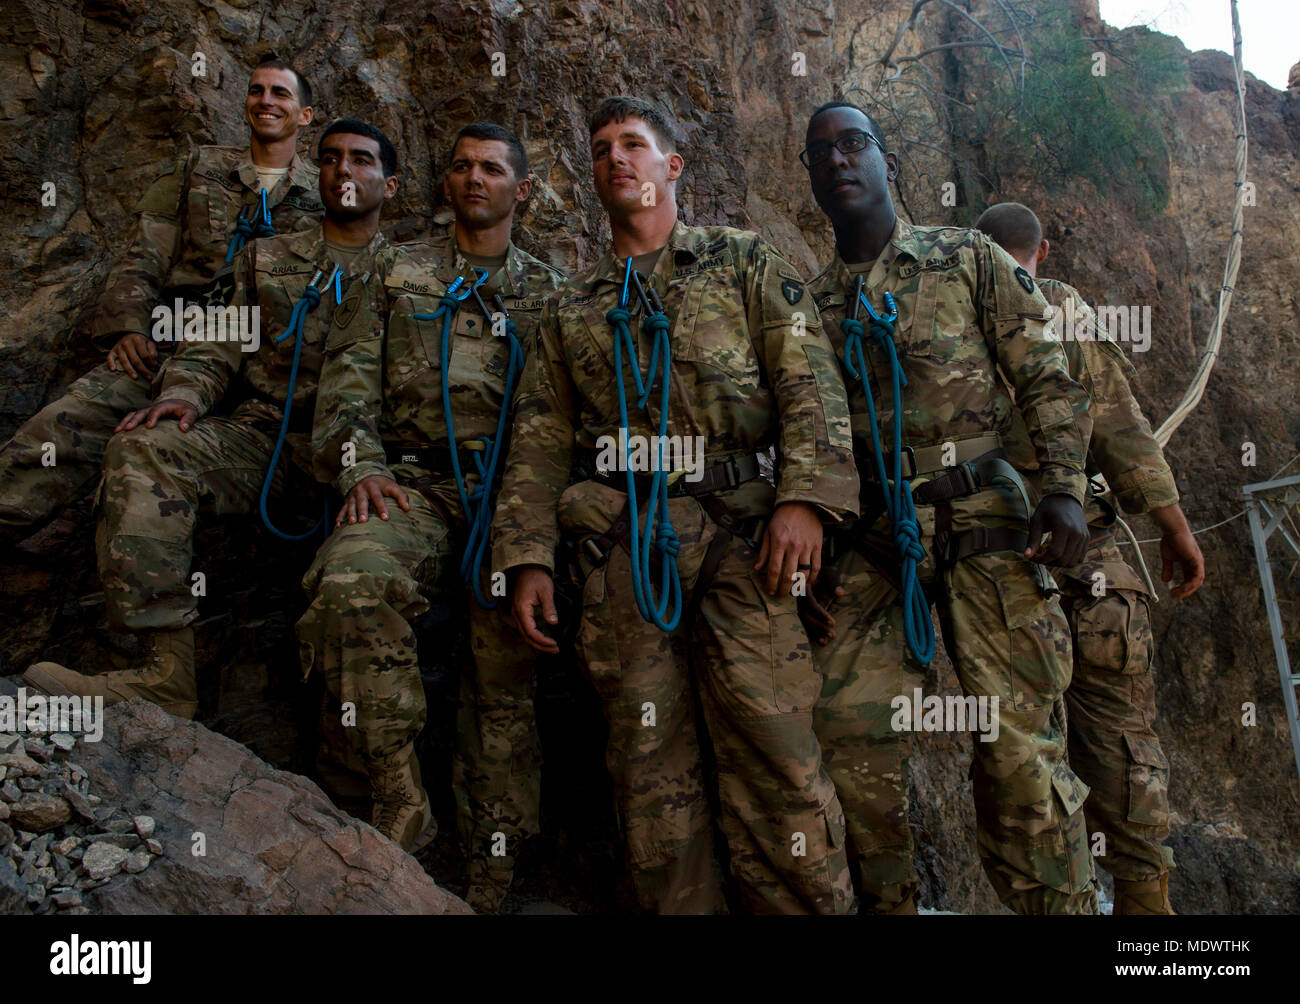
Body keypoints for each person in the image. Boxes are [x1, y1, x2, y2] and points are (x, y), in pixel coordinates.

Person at [494, 96, 861, 914]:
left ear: (673, 166)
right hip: (626, 549)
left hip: (745, 538)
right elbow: (540, 438)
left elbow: (809, 382)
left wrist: (806, 502)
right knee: (648, 768)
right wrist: (522, 558)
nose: (616, 159)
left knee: (778, 753)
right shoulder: (572, 304)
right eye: (600, 150)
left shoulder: (742, 262)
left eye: (634, 144)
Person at [800, 102, 1098, 914]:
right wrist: (819, 546)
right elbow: (808, 436)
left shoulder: (962, 256)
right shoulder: (811, 304)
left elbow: (1046, 373)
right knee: (843, 729)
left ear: (887, 161)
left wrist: (1065, 489)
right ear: (810, 179)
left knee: (1017, 758)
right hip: (877, 538)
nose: (838, 160)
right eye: (819, 152)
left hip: (984, 522)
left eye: (854, 143)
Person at [23, 121, 398, 722]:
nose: (343, 172)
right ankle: (164, 673)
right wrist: (186, 395)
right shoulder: (267, 257)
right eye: (330, 159)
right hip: (266, 442)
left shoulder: (411, 274)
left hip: (371, 456)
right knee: (146, 448)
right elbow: (214, 344)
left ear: (390, 183)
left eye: (360, 160)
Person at [299, 123, 565, 874]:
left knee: (504, 685)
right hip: (409, 486)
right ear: (443, 185)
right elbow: (346, 383)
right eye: (459, 167)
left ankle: (492, 872)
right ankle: (393, 791)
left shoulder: (551, 292)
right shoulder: (393, 270)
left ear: (522, 189)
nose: (473, 178)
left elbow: (566, 417)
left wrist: (533, 530)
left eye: (491, 168)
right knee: (351, 581)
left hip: (510, 500)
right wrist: (361, 470)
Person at [977, 201, 1205, 914]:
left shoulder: (955, 315)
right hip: (1097, 558)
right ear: (1040, 251)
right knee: (1124, 749)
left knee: (1022, 758)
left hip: (999, 565)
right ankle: (1147, 916)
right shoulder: (1063, 309)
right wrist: (1175, 527)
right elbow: (1122, 425)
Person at [0, 58, 321, 546]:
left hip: (262, 366)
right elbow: (147, 248)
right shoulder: (200, 167)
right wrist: (128, 327)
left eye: (280, 94)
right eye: (257, 91)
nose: (266, 101)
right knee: (55, 432)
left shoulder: (325, 195)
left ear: (304, 115)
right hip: (173, 341)